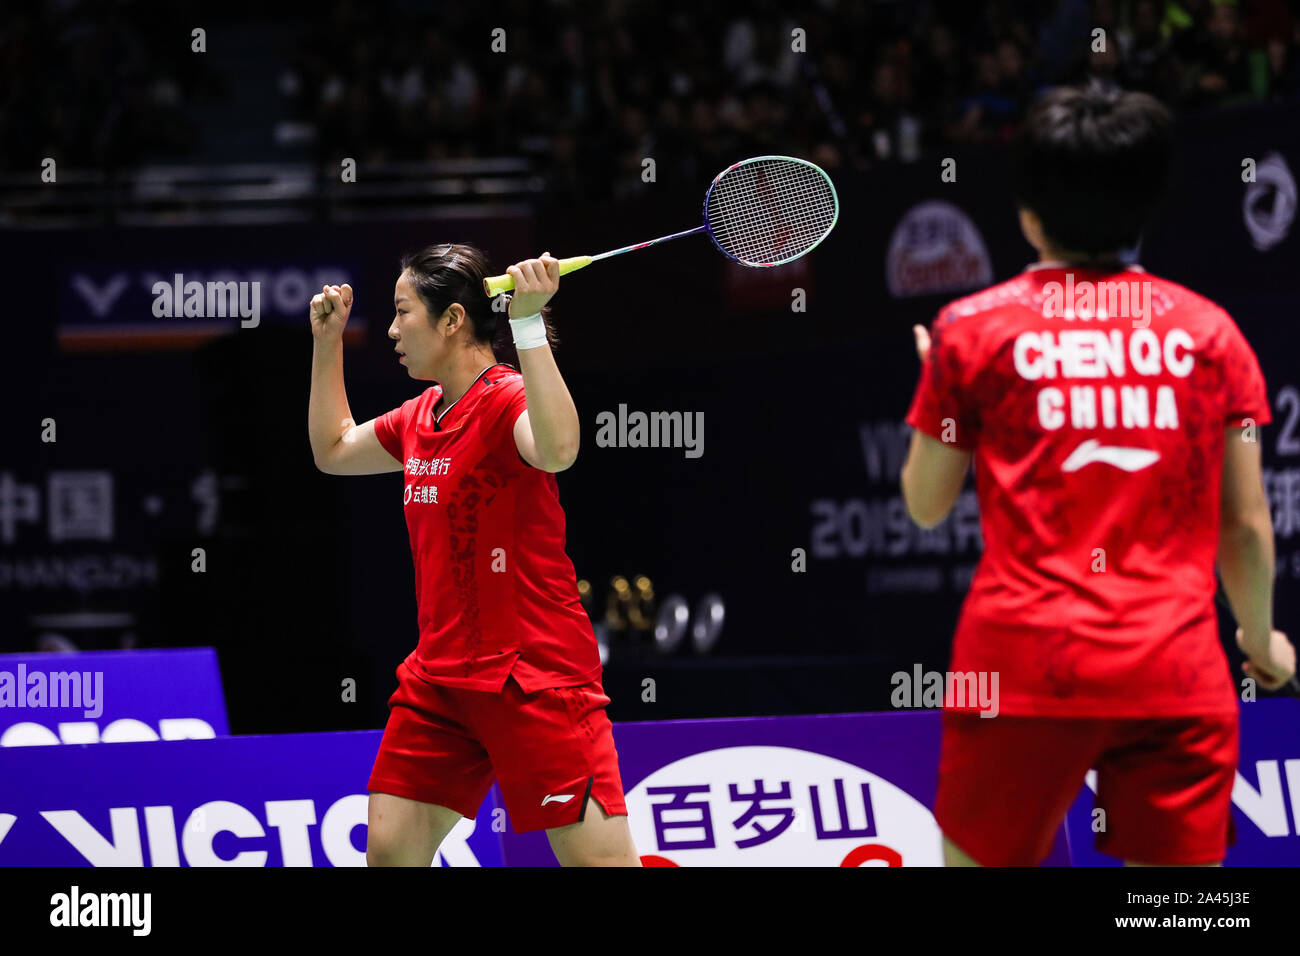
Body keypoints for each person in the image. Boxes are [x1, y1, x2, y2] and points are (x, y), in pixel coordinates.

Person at [899, 82, 1295, 867]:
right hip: (1174, 668)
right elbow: (1245, 524)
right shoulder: (1209, 333)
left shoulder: (970, 333)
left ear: (1028, 211)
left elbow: (925, 506)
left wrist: (946, 396)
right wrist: (1261, 638)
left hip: (1020, 666)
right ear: (1147, 205)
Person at [307, 243, 640, 866]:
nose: (391, 329)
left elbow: (559, 446)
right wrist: (328, 344)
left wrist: (529, 322)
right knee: (390, 852)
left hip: (532, 674)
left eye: (403, 311)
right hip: (441, 678)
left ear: (453, 320)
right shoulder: (419, 418)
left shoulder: (507, 400)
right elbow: (332, 449)